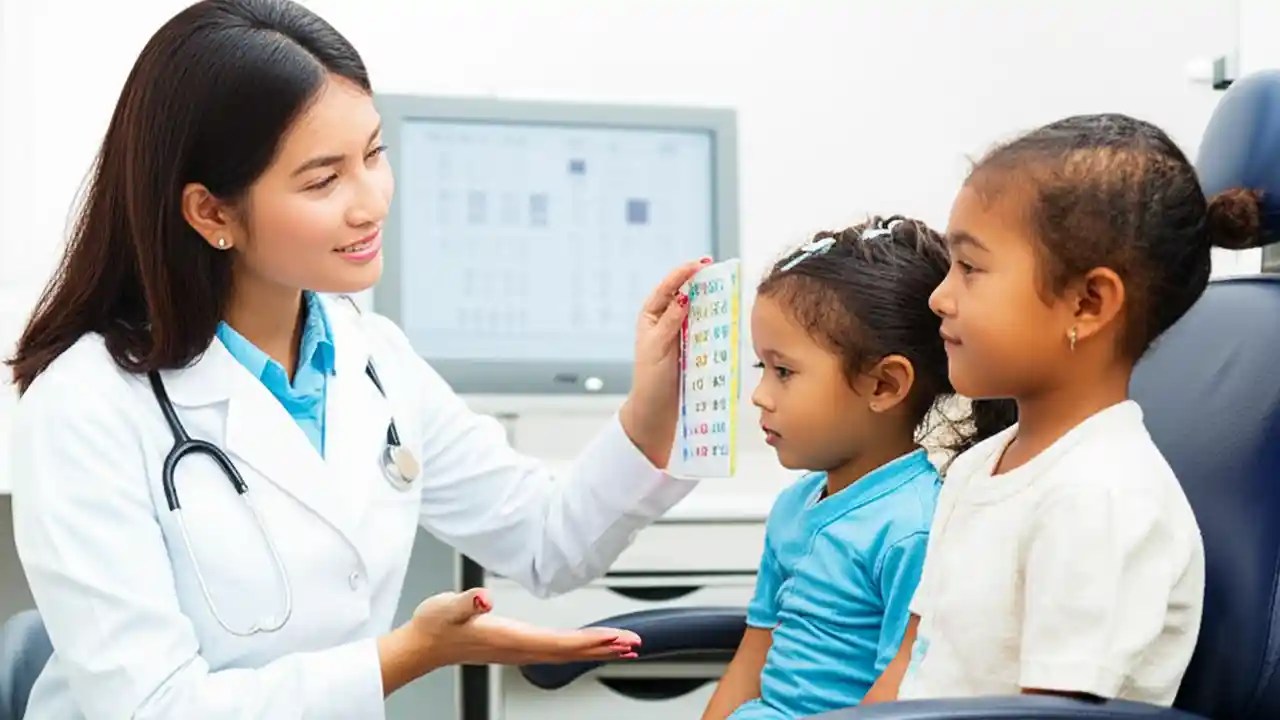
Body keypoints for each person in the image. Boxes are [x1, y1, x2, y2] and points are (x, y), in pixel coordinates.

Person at [6, 1, 710, 717]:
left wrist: (650, 406)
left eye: (373, 154)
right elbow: (151, 708)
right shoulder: (87, 405)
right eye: (322, 180)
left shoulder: (370, 356)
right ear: (212, 213)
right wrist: (408, 655)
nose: (370, 202)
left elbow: (544, 541)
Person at [867, 114, 1268, 706]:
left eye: (971, 269)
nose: (939, 296)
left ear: (1087, 303)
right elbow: (912, 664)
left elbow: (1052, 714)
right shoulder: (980, 468)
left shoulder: (1102, 498)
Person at [701, 217, 1016, 719]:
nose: (760, 395)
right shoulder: (794, 506)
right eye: (763, 368)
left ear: (884, 386)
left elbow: (904, 696)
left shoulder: (913, 529)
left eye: (783, 371)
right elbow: (752, 658)